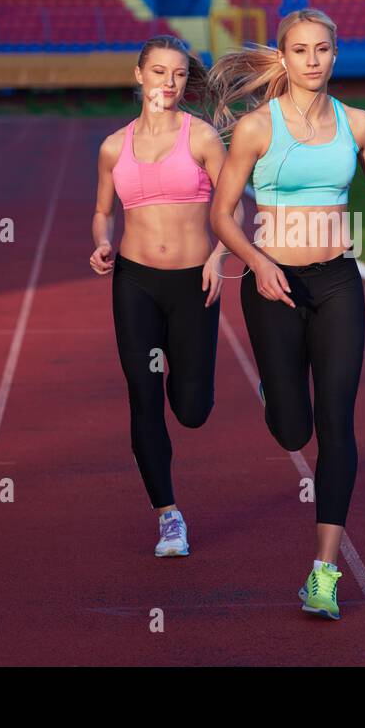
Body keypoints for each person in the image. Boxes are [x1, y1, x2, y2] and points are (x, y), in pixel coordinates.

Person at [208, 8, 365, 620]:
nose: (312, 60)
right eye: (301, 51)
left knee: (338, 421)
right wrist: (257, 263)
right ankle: (276, 390)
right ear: (285, 59)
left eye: (322, 49)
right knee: (293, 429)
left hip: (340, 280)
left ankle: (324, 571)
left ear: (335, 55)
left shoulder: (360, 124)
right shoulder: (256, 130)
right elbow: (220, 213)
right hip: (273, 284)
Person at [91, 35, 236, 558]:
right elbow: (102, 210)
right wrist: (102, 242)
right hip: (134, 283)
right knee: (143, 396)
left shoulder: (202, 139)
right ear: (139, 76)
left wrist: (220, 255)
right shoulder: (113, 146)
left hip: (192, 282)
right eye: (158, 72)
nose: (168, 83)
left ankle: (186, 381)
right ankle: (168, 515)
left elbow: (232, 206)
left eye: (177, 74)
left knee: (192, 409)